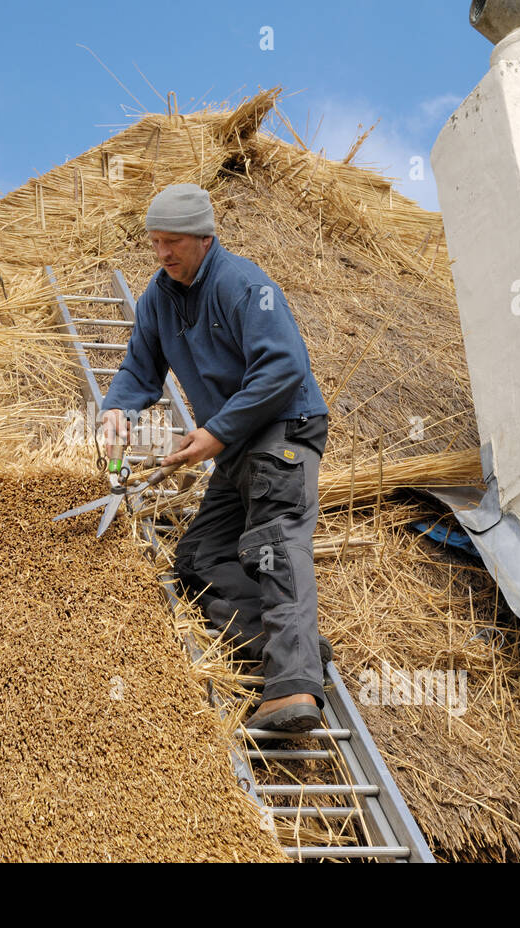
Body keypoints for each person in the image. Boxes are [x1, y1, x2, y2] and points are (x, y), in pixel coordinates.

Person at [99, 182, 331, 731]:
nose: (162, 253)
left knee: (275, 542)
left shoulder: (246, 285)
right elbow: (139, 369)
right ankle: (298, 654)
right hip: (235, 446)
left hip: (283, 430)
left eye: (172, 242)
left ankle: (294, 689)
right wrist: (117, 411)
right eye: (155, 242)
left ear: (204, 238)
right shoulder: (158, 298)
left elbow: (281, 369)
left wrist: (216, 434)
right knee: (200, 560)